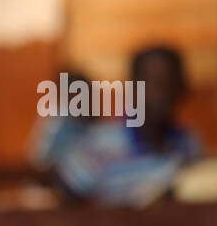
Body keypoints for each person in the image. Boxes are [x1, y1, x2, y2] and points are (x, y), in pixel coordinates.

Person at [52, 45, 202, 206]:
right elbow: (66, 199)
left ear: (182, 88)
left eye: (169, 82)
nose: (162, 92)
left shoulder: (189, 145)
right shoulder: (99, 144)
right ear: (133, 88)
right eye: (154, 83)